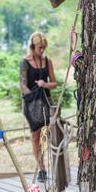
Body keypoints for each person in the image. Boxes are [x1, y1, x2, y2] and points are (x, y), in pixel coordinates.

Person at [20, 32, 58, 182]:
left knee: (47, 135)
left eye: (44, 47)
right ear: (32, 46)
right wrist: (32, 98)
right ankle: (42, 169)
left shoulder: (47, 61)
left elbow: (54, 83)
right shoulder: (25, 62)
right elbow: (22, 84)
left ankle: (51, 164)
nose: (42, 50)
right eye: (39, 47)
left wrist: (44, 84)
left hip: (46, 101)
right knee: (36, 136)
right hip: (31, 102)